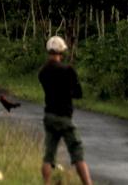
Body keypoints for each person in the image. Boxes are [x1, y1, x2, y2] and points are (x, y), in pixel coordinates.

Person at [38, 35, 93, 185]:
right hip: (64, 116)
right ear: (61, 52)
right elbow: (78, 93)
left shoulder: (43, 72)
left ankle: (46, 183)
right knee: (77, 151)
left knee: (49, 155)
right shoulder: (68, 70)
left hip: (49, 115)